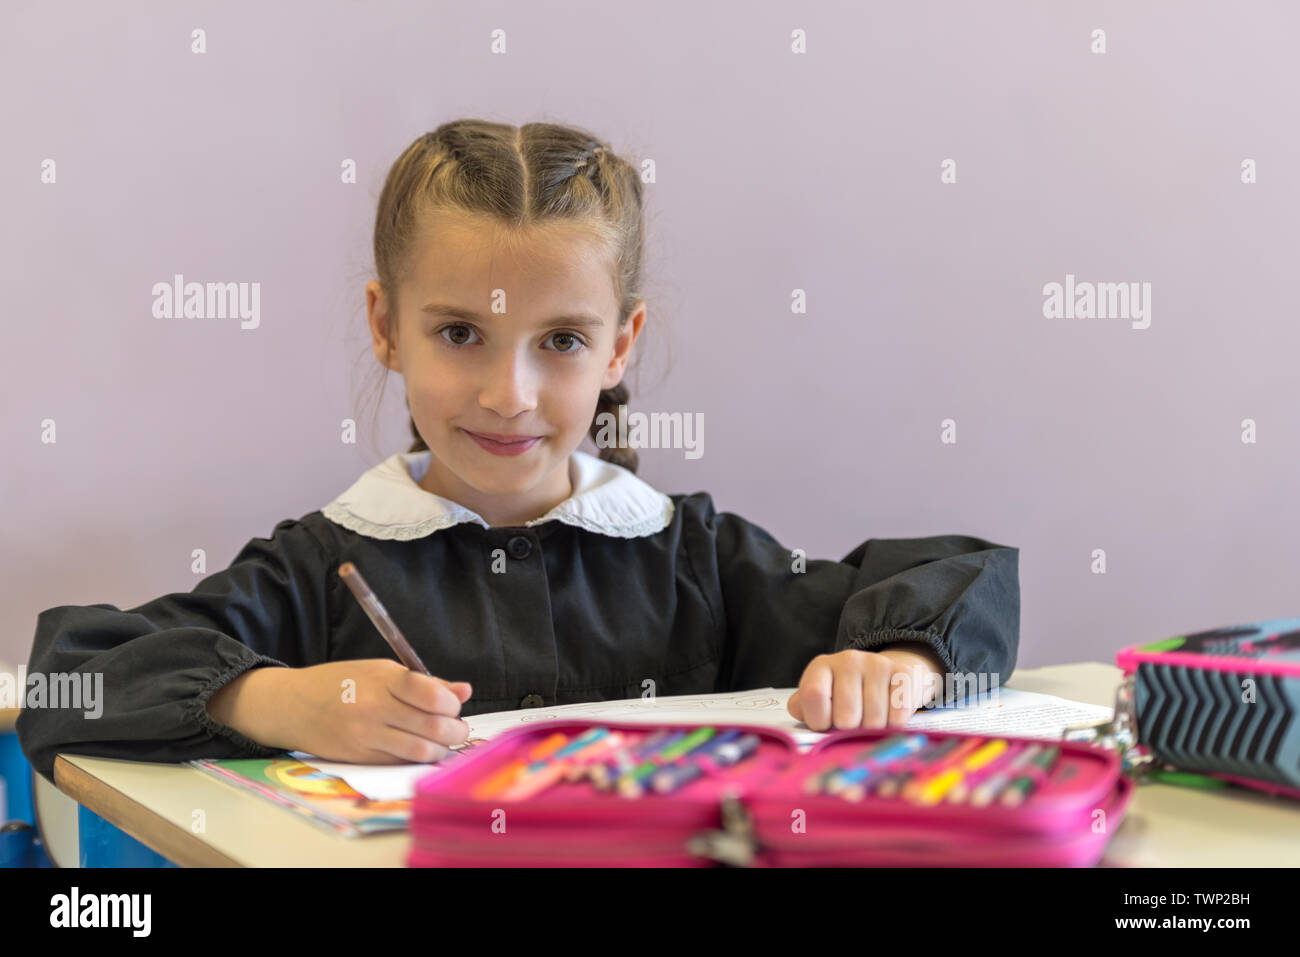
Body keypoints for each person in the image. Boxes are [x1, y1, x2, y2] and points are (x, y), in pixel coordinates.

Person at [16, 120, 1020, 782]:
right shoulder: (323, 567)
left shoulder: (692, 558)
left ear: (619, 346)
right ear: (385, 325)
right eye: (459, 334)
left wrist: (897, 664)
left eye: (562, 342)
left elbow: (966, 576)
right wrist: (273, 698)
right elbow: (68, 675)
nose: (509, 394)